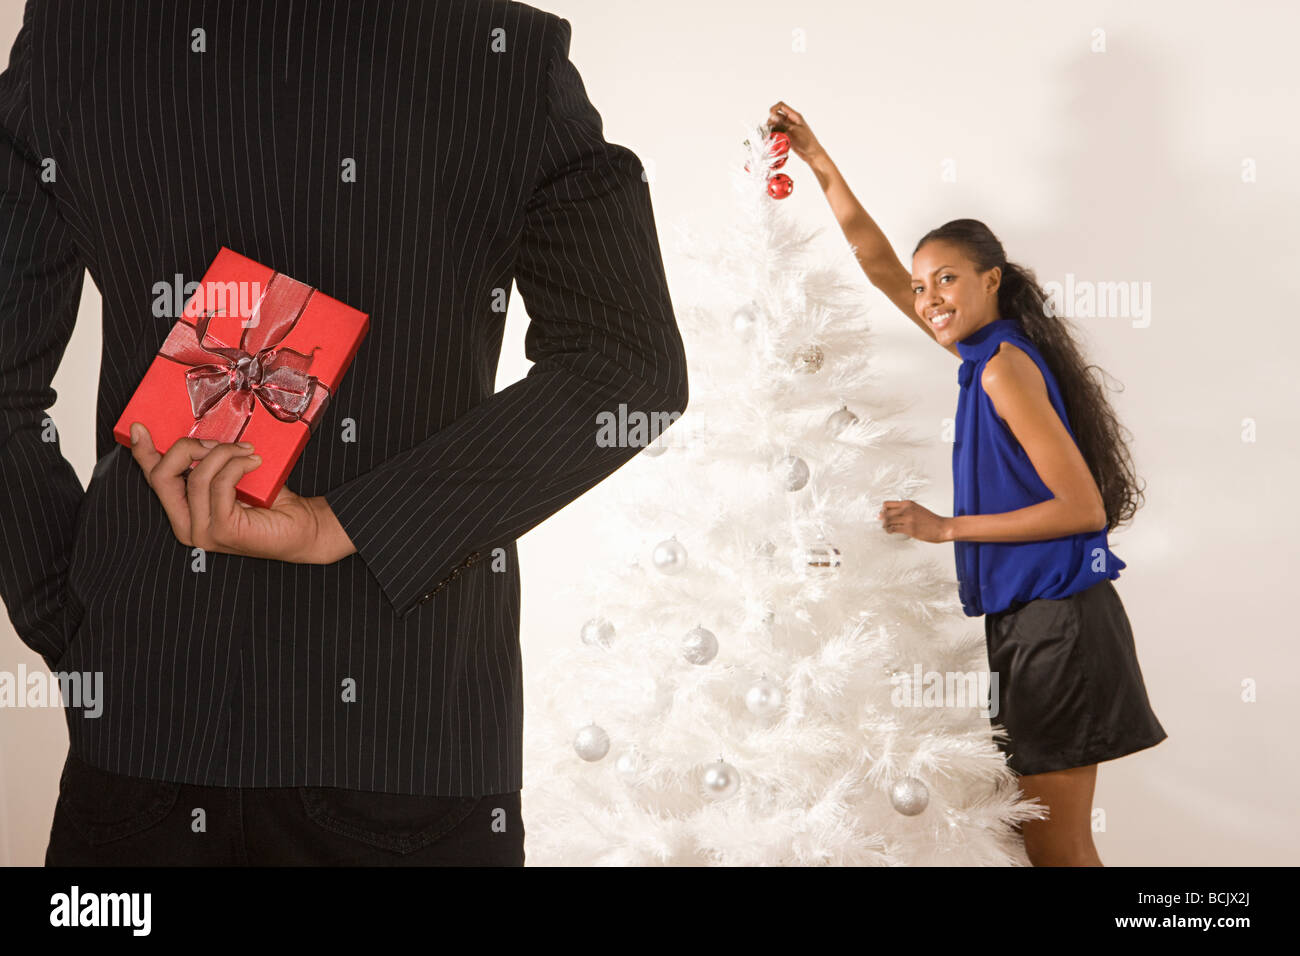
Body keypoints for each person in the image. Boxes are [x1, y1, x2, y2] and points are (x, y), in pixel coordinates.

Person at [0, 0, 687, 866]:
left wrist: (75, 613)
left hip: (147, 719)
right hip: (413, 731)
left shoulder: (75, 36)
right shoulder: (504, 51)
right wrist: (349, 526)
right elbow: (629, 366)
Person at [767, 101, 1165, 866]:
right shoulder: (984, 358)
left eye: (946, 279)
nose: (929, 298)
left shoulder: (1005, 368)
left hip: (1061, 627)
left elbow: (1080, 508)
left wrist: (946, 528)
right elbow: (878, 264)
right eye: (922, 288)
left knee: (1056, 842)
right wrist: (818, 163)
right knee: (1035, 833)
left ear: (993, 280)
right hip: (1029, 624)